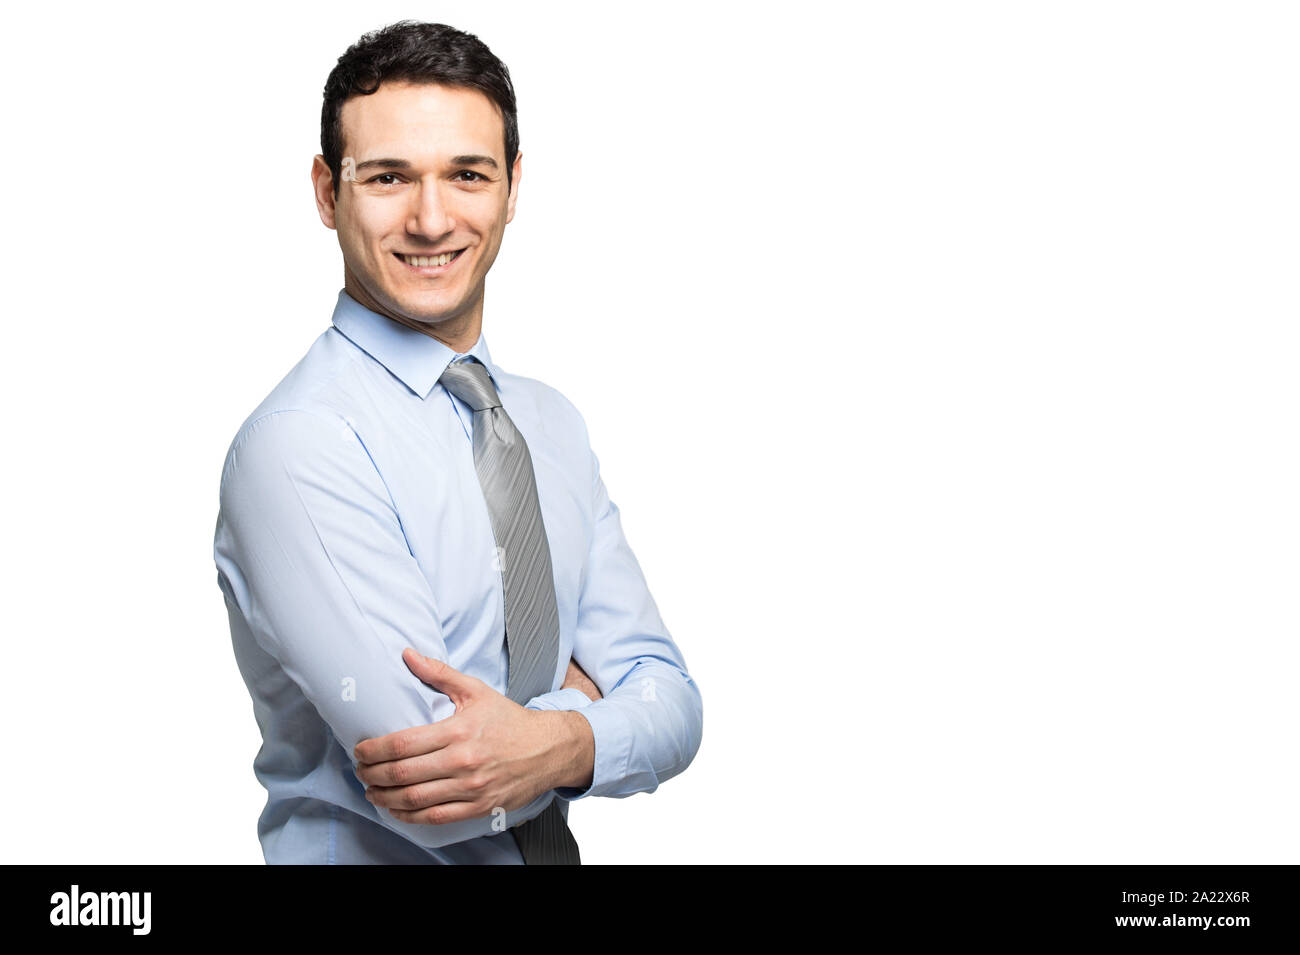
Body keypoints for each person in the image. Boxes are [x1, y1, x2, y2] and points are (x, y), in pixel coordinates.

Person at [211, 20, 703, 864]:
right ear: (329, 193)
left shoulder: (551, 425)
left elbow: (678, 706)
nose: (432, 219)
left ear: (512, 187)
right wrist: (592, 716)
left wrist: (540, 736)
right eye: (390, 176)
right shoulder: (299, 447)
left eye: (467, 175)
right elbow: (443, 786)